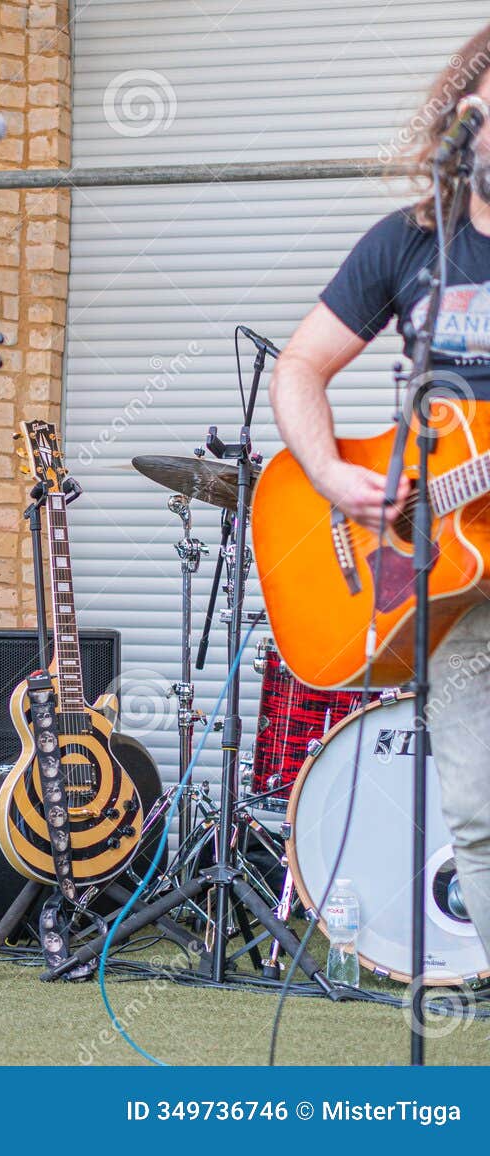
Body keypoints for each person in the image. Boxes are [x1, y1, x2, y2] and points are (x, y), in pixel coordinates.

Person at [270, 23, 490, 958]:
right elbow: (300, 368)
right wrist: (331, 474)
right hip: (456, 585)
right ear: (463, 120)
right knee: (477, 812)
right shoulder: (411, 242)